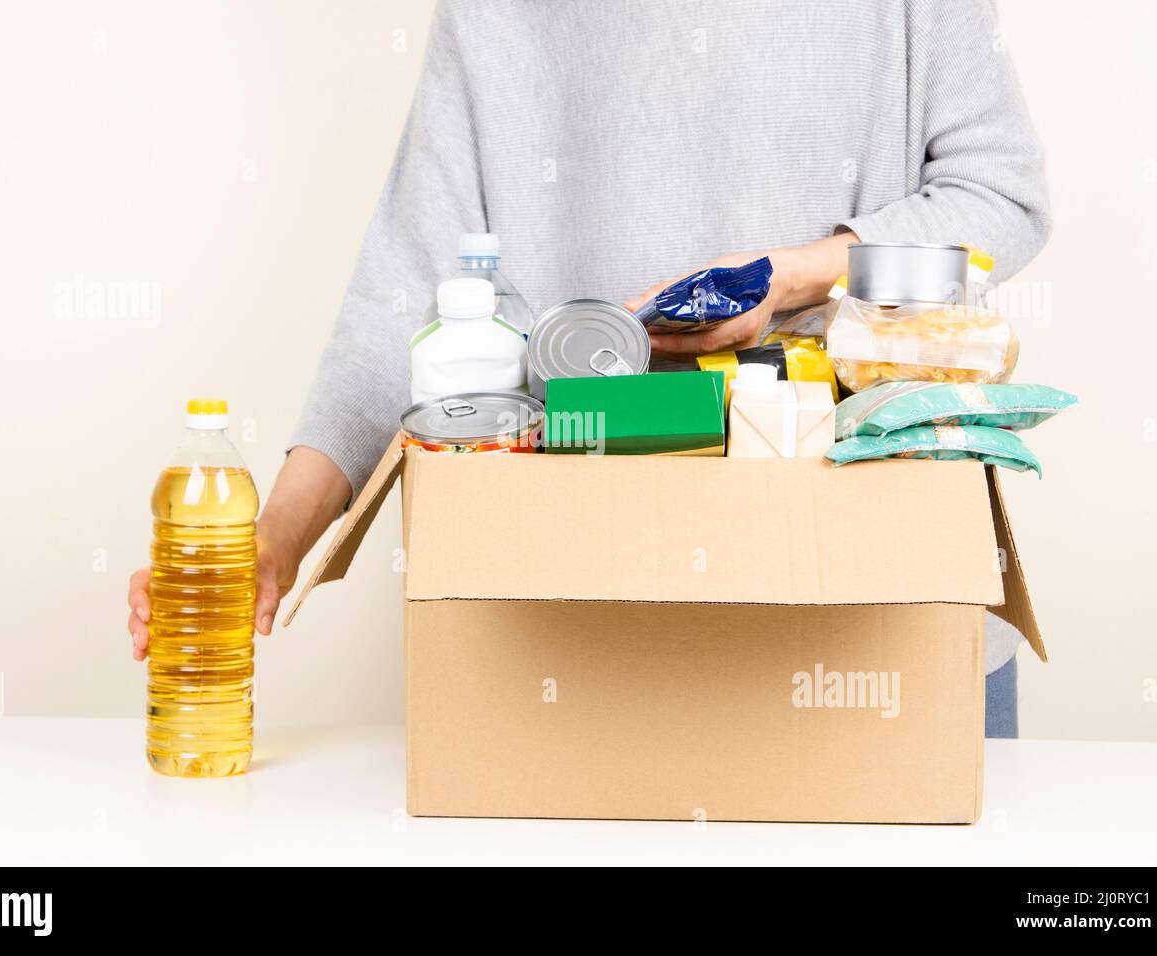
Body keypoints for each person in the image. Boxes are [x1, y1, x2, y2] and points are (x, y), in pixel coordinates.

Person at [128, 0, 1049, 737]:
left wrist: (795, 273)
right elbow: (409, 294)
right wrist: (276, 539)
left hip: (873, 588)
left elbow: (998, 195)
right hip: (589, 616)